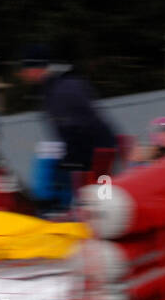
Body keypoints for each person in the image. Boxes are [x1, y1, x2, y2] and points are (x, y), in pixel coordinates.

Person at [17, 46, 118, 205]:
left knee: (99, 205)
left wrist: (73, 159)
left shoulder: (59, 90)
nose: (23, 74)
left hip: (96, 155)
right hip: (95, 153)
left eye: (25, 69)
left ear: (36, 69)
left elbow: (78, 126)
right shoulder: (60, 86)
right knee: (94, 203)